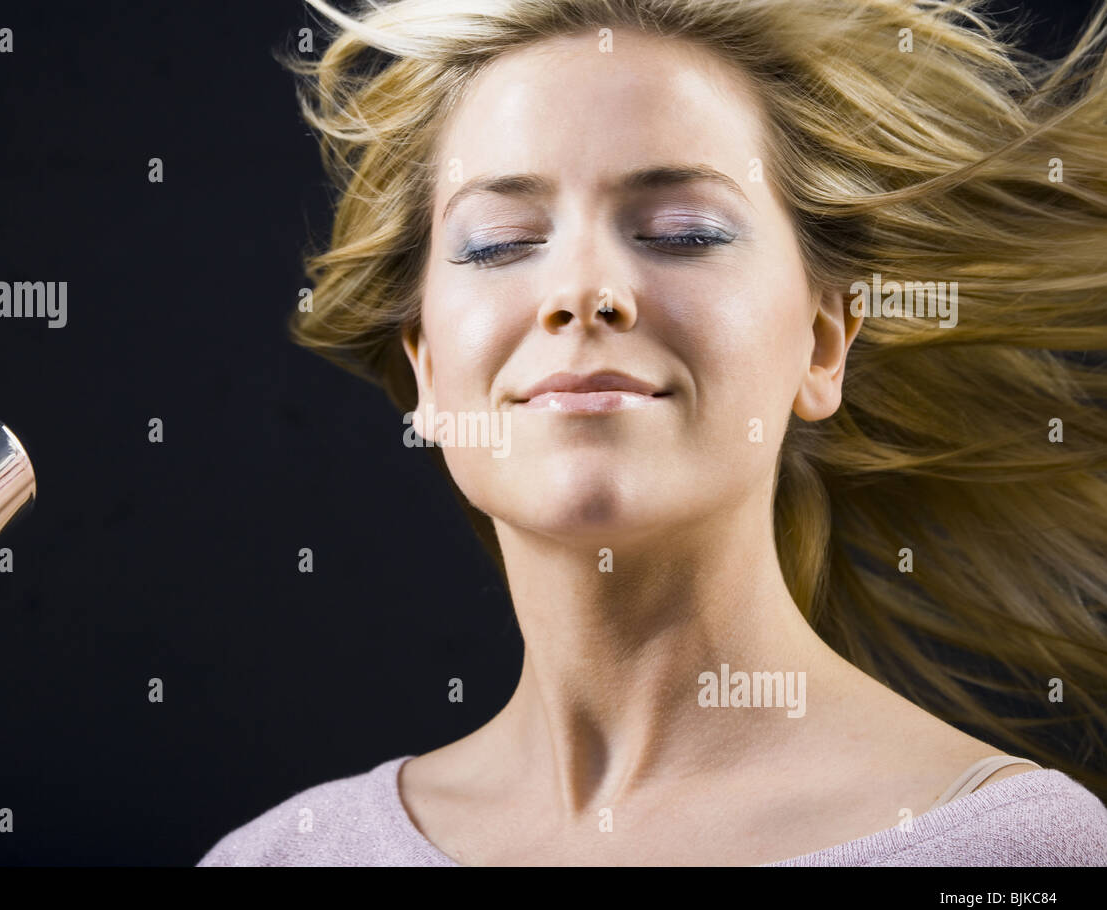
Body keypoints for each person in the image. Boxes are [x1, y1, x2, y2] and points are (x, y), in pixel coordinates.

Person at [199, 0, 1107, 865]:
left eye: (682, 231)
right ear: (429, 368)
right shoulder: (283, 858)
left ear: (824, 342)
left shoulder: (1013, 862)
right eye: (500, 242)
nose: (581, 291)